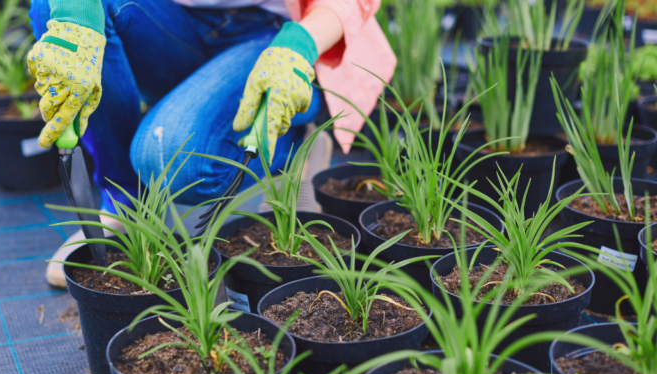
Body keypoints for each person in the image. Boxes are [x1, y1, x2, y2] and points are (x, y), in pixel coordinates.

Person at [28, 0, 395, 287]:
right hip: (167, 24)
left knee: (167, 155)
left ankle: (293, 137)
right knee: (54, 6)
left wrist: (299, 45)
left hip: (276, 33)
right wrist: (75, 19)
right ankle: (125, 207)